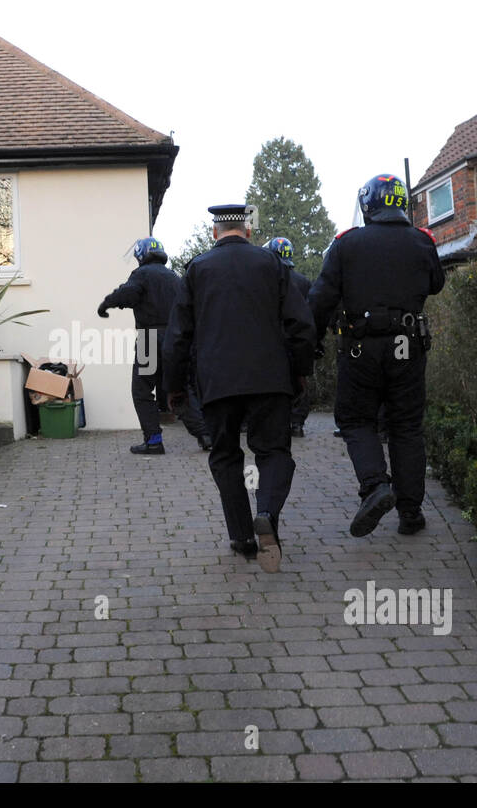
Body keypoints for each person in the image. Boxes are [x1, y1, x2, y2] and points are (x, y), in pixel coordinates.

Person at [165, 204, 316, 572]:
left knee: (226, 456)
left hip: (218, 383)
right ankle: (266, 514)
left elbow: (177, 337)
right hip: (270, 380)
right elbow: (301, 325)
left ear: (214, 233)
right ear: (248, 232)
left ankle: (243, 537)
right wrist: (299, 372)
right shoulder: (272, 265)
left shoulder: (197, 269)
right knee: (273, 452)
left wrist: (174, 388)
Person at [309, 174, 445, 537]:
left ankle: (375, 486)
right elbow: (436, 283)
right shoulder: (421, 242)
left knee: (355, 420)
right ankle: (411, 513)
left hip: (360, 347)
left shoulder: (346, 244)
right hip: (408, 345)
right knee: (406, 426)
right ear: (402, 204)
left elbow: (320, 299)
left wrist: (310, 341)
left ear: (368, 205)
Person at [98, 236, 212, 454]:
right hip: (175, 340)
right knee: (180, 389)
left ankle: (153, 441)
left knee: (141, 389)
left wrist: (106, 304)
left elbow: (128, 294)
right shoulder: (174, 277)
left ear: (141, 255)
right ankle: (205, 435)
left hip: (149, 339)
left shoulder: (142, 274)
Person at [266, 237, 313, 437]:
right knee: (300, 381)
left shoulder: (267, 282)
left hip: (274, 341)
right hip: (298, 338)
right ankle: (297, 423)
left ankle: (278, 422)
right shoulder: (303, 282)